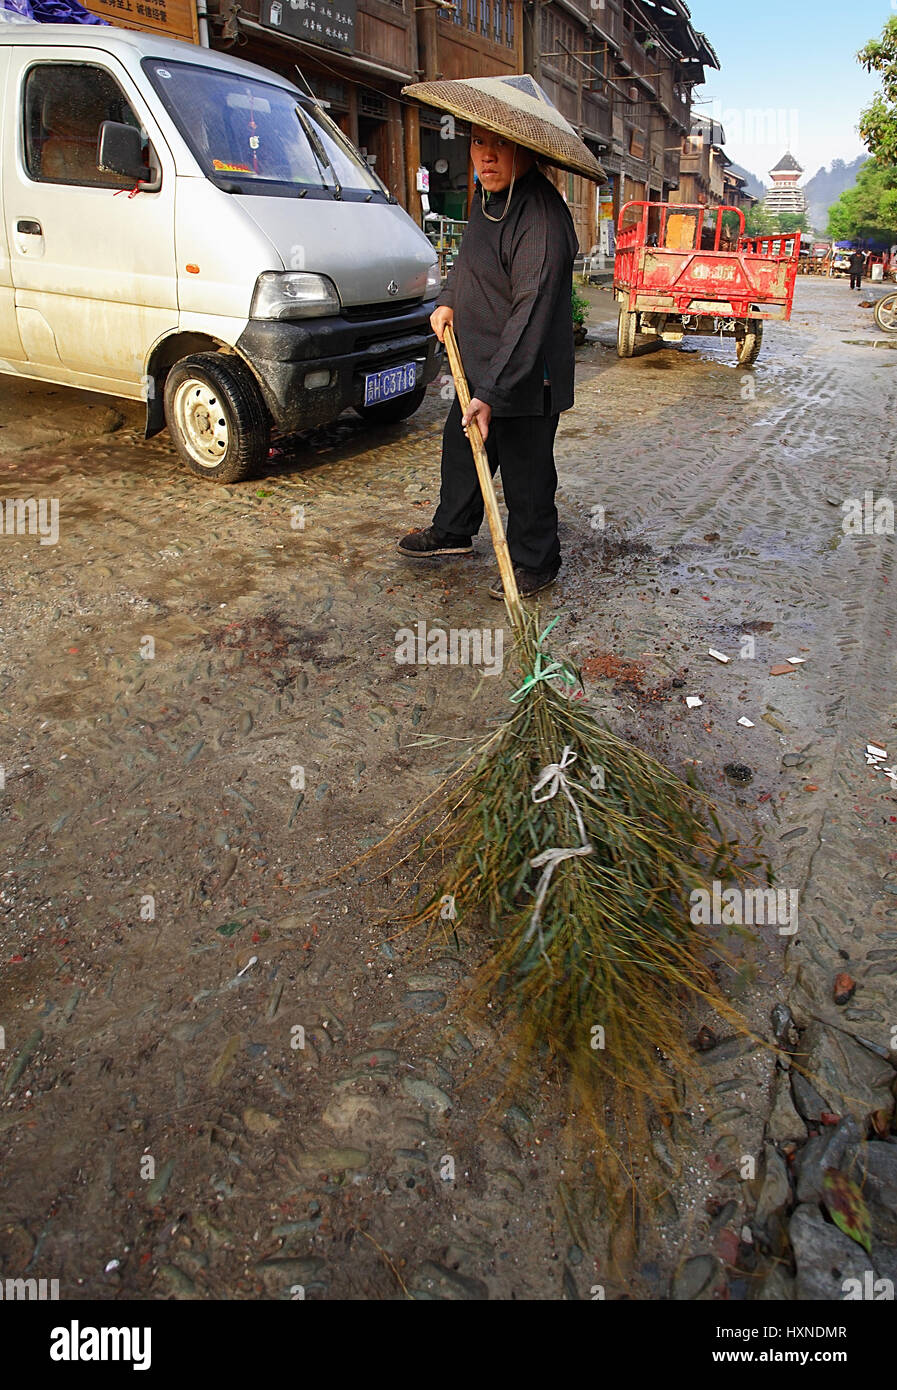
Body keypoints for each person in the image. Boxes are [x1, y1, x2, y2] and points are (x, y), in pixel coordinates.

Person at [396, 75, 605, 600]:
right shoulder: (487, 198)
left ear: (528, 150)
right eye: (478, 142)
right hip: (482, 365)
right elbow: (469, 262)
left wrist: (492, 393)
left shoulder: (542, 219)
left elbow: (530, 313)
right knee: (461, 447)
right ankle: (452, 532)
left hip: (528, 374)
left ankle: (537, 562)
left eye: (501, 145)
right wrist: (447, 300)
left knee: (526, 473)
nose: (486, 157)